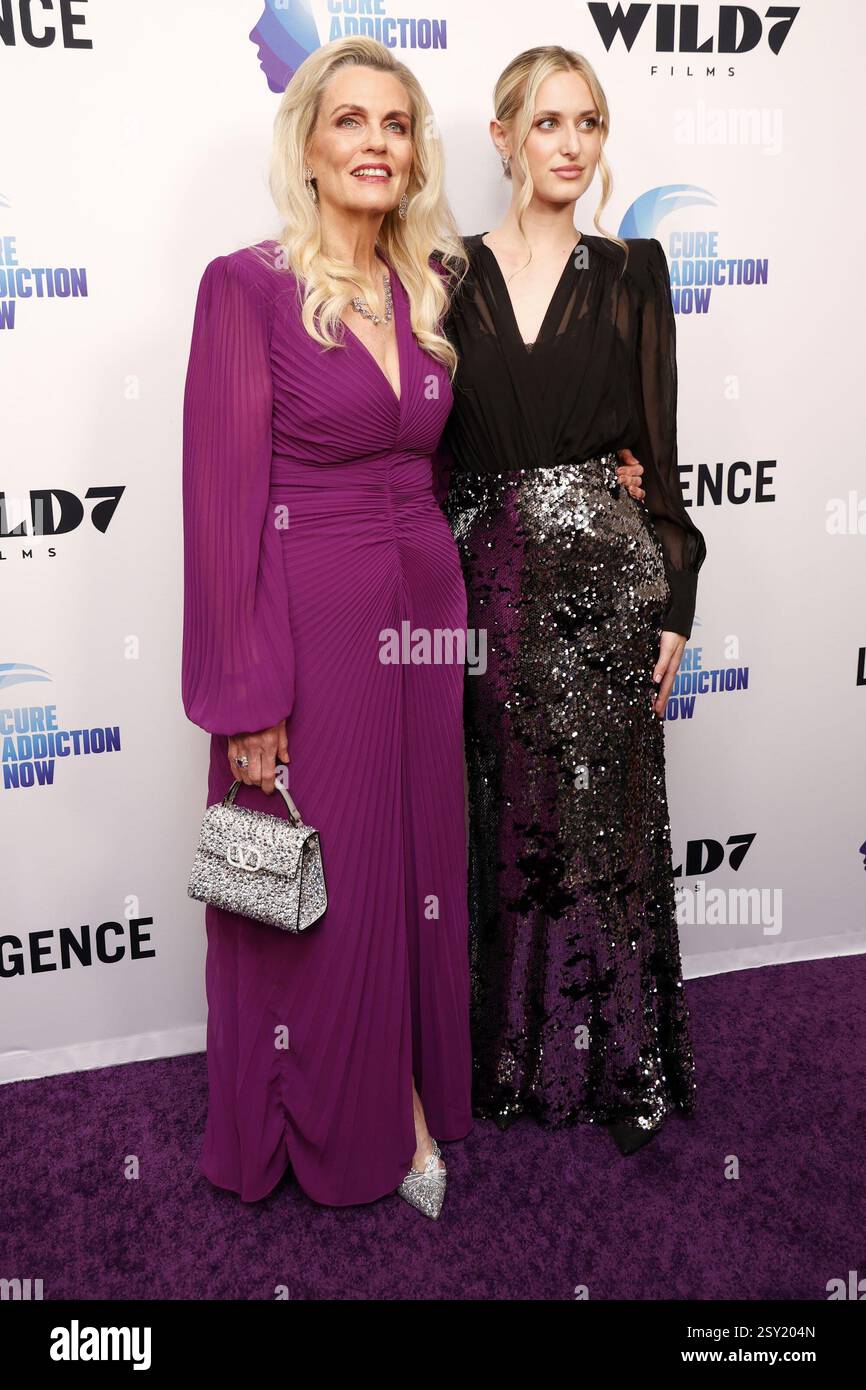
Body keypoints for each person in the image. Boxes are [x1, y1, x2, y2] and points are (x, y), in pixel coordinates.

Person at [181, 37, 473, 1216]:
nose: (374, 144)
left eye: (395, 126)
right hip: (314, 627)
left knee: (412, 866)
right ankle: (340, 1119)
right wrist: (247, 696)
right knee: (328, 875)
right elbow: (221, 506)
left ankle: (402, 1075)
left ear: (414, 155)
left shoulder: (423, 287)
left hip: (424, 620)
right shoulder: (245, 283)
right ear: (306, 145)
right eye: (348, 121)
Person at [437, 45, 707, 1155]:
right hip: (484, 584)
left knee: (606, 829)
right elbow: (424, 444)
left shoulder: (633, 271)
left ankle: (617, 1061)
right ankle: (505, 1055)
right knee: (503, 818)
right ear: (501, 138)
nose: (567, 143)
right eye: (544, 122)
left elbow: (662, 455)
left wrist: (675, 600)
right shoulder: (440, 272)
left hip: (608, 585)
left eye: (585, 123)